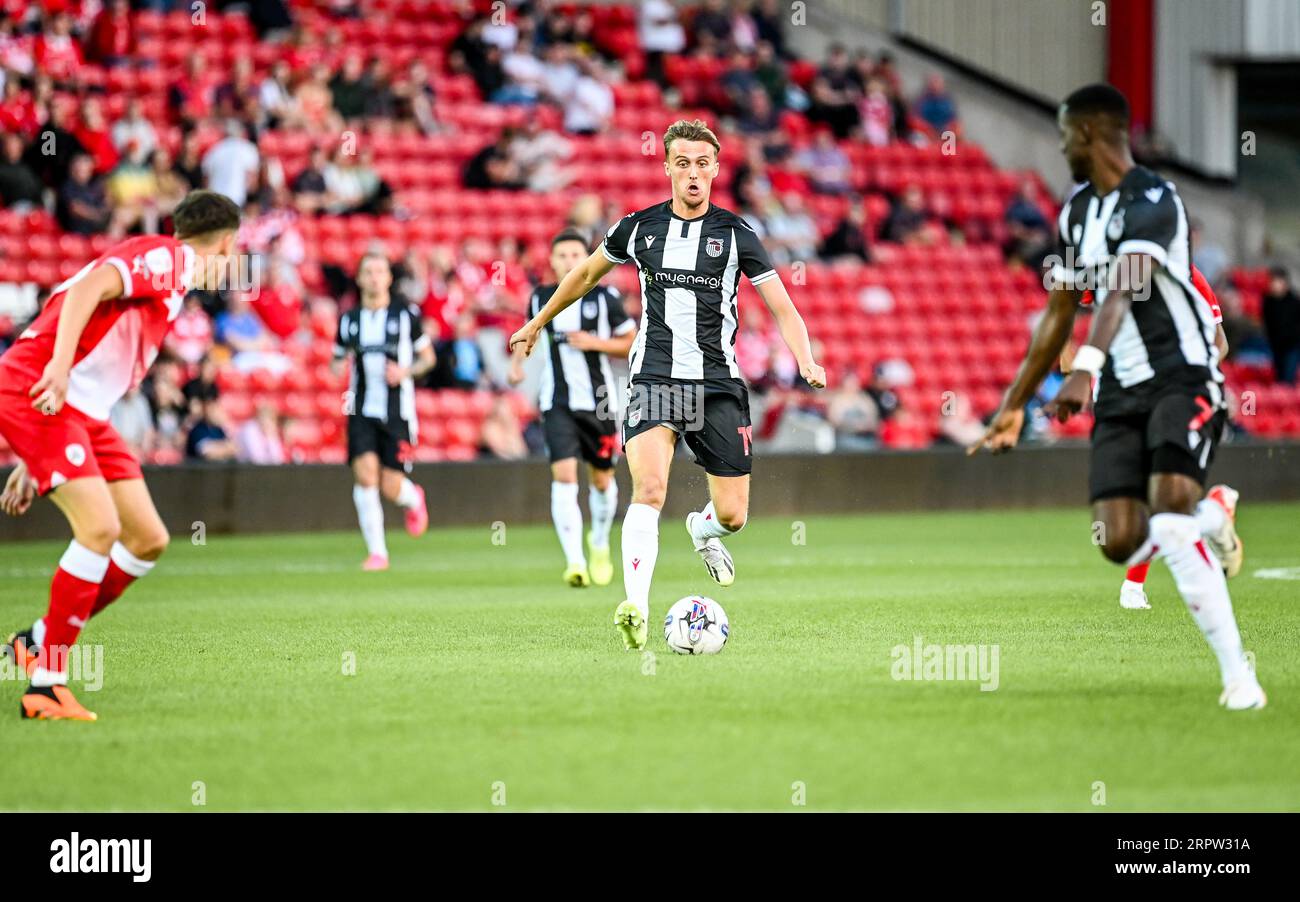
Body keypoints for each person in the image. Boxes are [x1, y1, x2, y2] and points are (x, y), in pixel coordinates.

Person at [969, 84, 1263, 710]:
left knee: (1170, 511)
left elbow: (1125, 285)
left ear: (1089, 135)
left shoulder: (1156, 198)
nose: (1059, 146)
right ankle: (1216, 517)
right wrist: (1015, 402)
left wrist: (1085, 367)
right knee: (1118, 541)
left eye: (1063, 134)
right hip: (1121, 391)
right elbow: (1058, 313)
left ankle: (1239, 677)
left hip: (1182, 373)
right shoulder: (1075, 215)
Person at [509, 119, 825, 652]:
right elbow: (585, 276)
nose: (693, 174)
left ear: (716, 169)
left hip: (718, 384)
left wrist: (806, 358)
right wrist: (537, 322)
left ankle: (702, 532)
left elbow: (782, 308)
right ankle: (635, 604)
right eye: (683, 163)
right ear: (668, 169)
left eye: (703, 164)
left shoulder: (737, 234)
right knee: (650, 489)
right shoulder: (638, 228)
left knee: (733, 516)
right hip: (654, 377)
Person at [0, 190, 242, 721]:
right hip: (41, 389)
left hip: (80, 412)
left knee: (147, 538)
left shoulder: (173, 280)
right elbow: (89, 287)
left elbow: (95, 345)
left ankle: (36, 640)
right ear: (226, 244)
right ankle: (46, 686)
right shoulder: (169, 259)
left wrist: (28, 457)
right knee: (98, 529)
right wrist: (57, 369)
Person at [508, 228, 636, 588]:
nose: (568, 261)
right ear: (551, 260)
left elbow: (631, 343)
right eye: (561, 255)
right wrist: (517, 363)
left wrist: (595, 342)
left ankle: (597, 543)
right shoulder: (540, 298)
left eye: (575, 255)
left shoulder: (606, 297)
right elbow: (529, 335)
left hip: (600, 404)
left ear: (587, 258)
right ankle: (574, 561)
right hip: (557, 401)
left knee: (601, 480)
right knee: (564, 477)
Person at [332, 253, 436, 571]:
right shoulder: (349, 320)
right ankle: (378, 552)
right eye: (368, 272)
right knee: (365, 476)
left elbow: (428, 358)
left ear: (389, 278)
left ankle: (414, 498)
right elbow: (337, 358)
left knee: (390, 485)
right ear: (360, 279)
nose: (375, 277)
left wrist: (404, 372)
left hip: (397, 411)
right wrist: (336, 367)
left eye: (380, 271)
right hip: (361, 408)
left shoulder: (407, 315)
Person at [1261, 266, 1300, 384]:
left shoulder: (1294, 302)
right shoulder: (1268, 302)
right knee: (1279, 376)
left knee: (1287, 377)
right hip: (1276, 346)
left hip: (1292, 346)